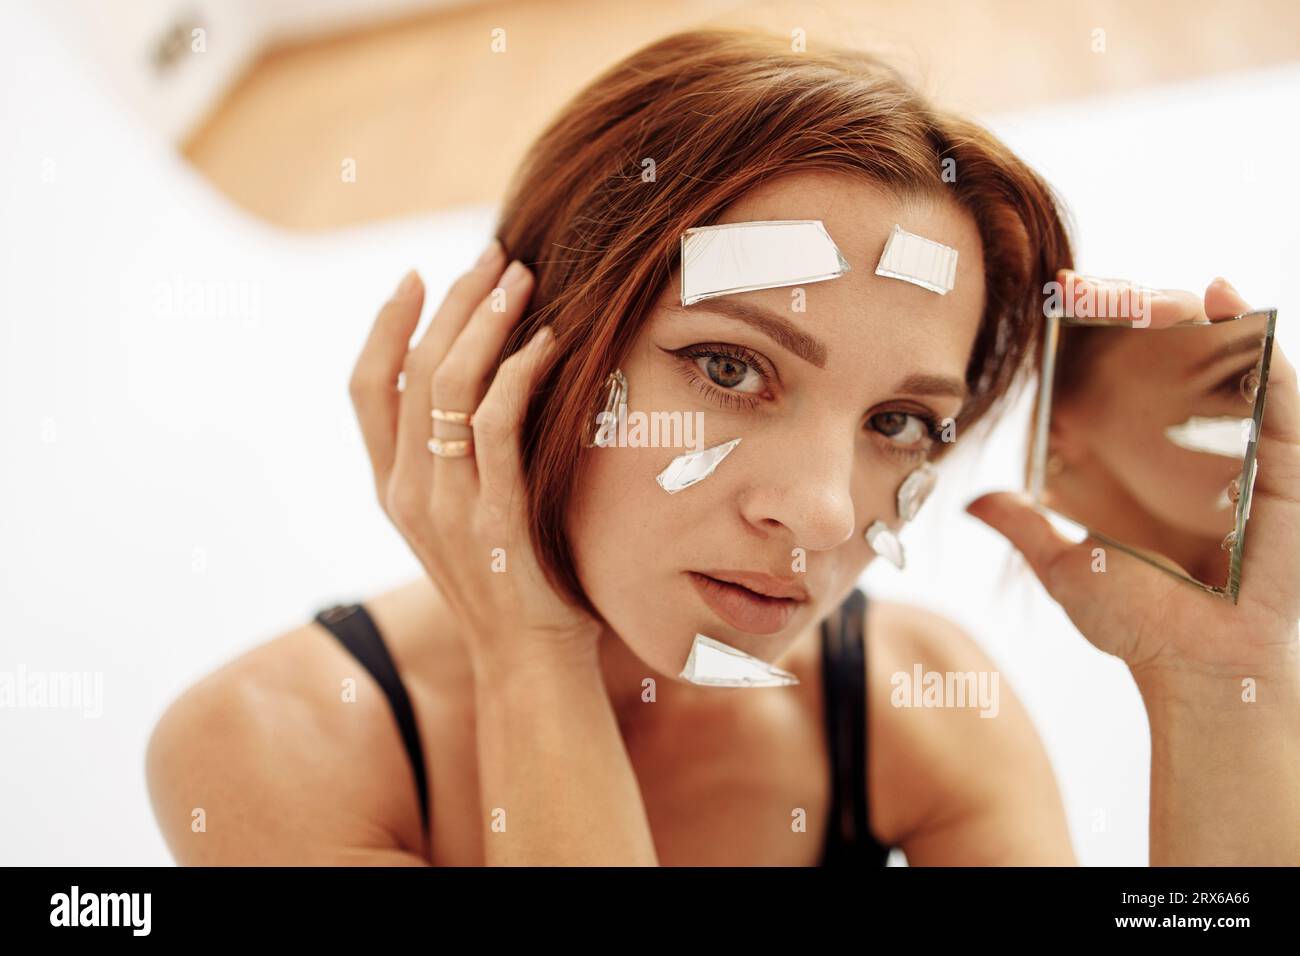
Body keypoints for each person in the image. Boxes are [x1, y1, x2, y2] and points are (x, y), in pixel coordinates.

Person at [145, 27, 1300, 866]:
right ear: (513, 351)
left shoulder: (917, 710)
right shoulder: (271, 752)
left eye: (897, 422)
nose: (824, 512)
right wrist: (529, 659)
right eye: (730, 366)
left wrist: (1218, 694)